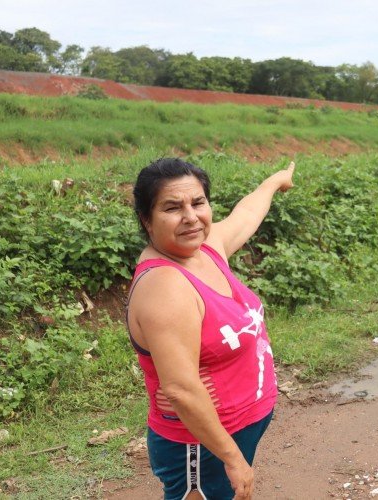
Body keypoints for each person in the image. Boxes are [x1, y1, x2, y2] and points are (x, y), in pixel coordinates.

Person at [126, 157, 295, 499]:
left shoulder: (204, 249)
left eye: (198, 202)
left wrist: (275, 181)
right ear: (147, 219)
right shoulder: (165, 286)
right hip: (203, 444)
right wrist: (231, 457)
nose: (190, 216)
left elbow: (246, 215)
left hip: (238, 427)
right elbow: (181, 389)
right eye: (172, 207)